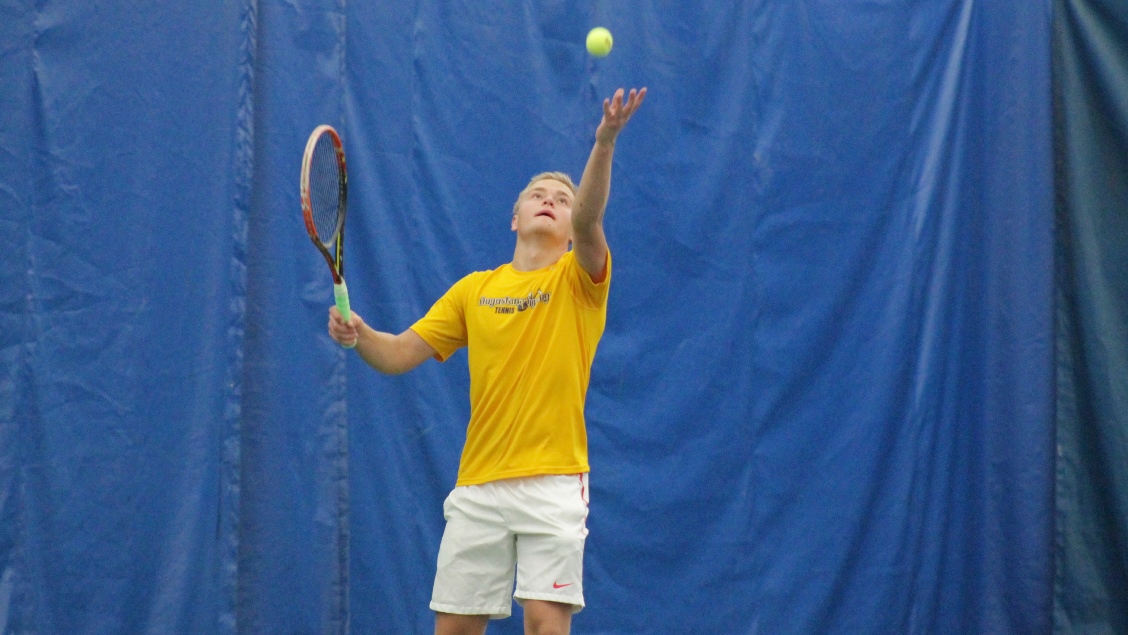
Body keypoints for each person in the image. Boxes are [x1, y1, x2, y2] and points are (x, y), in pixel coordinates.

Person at [328, 87, 646, 635]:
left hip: (552, 479)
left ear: (571, 232)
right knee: (453, 629)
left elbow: (593, 216)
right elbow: (401, 353)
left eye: (562, 200)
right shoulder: (474, 291)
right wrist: (360, 336)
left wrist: (605, 141)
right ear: (514, 218)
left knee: (545, 622)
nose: (551, 200)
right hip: (479, 483)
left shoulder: (580, 280)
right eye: (538, 195)